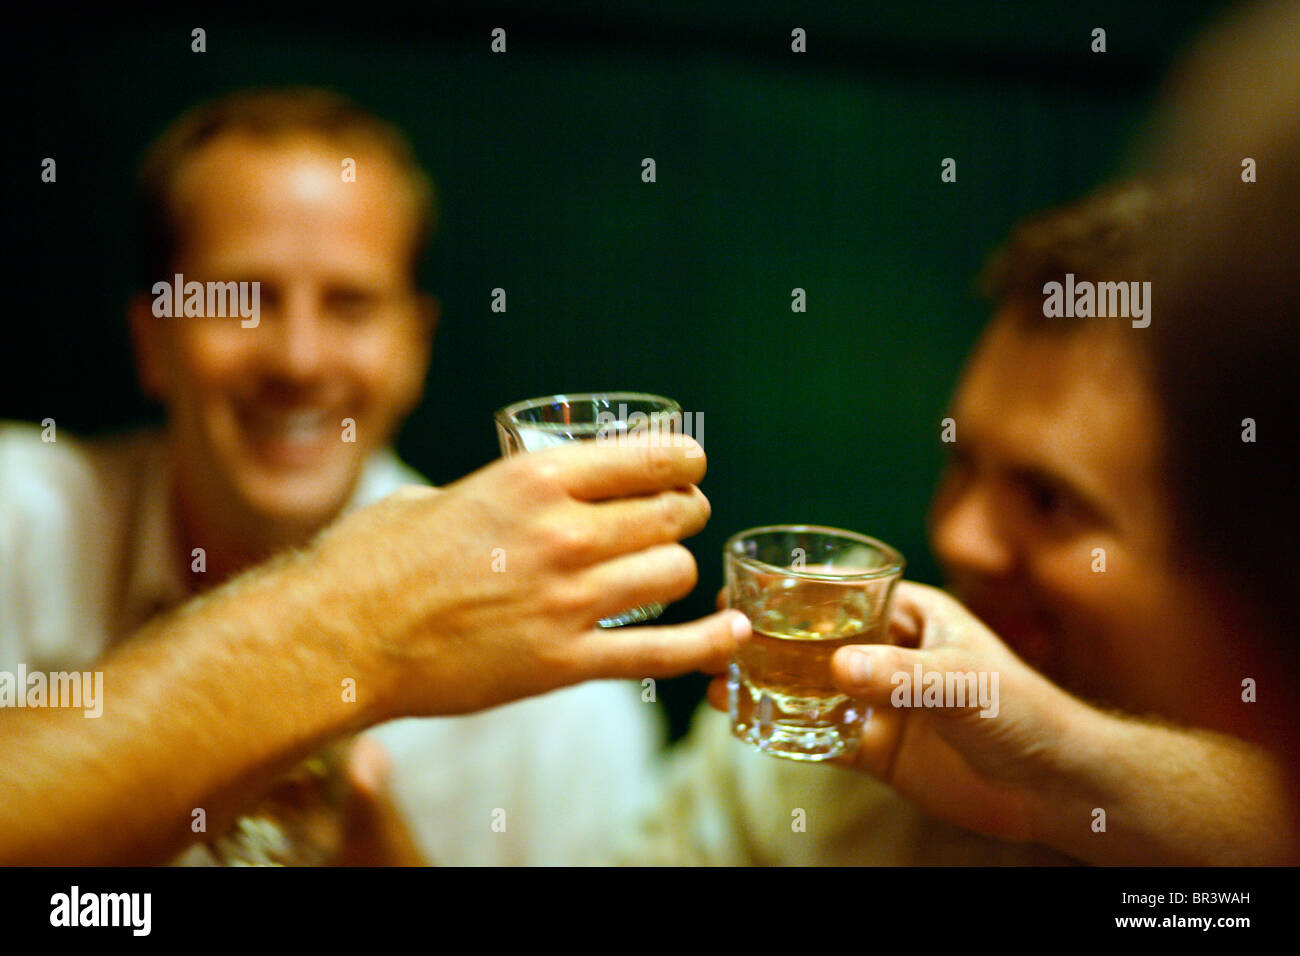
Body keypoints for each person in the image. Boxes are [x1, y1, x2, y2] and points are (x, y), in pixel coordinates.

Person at [0, 87, 749, 866]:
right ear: (153, 340)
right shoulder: (15, 523)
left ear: (414, 349)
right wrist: (343, 635)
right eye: (244, 299)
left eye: (350, 305)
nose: (299, 359)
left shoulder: (563, 701)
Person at [616, 177, 1297, 866]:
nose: (957, 537)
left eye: (1047, 500)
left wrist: (1074, 773)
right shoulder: (836, 675)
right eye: (962, 463)